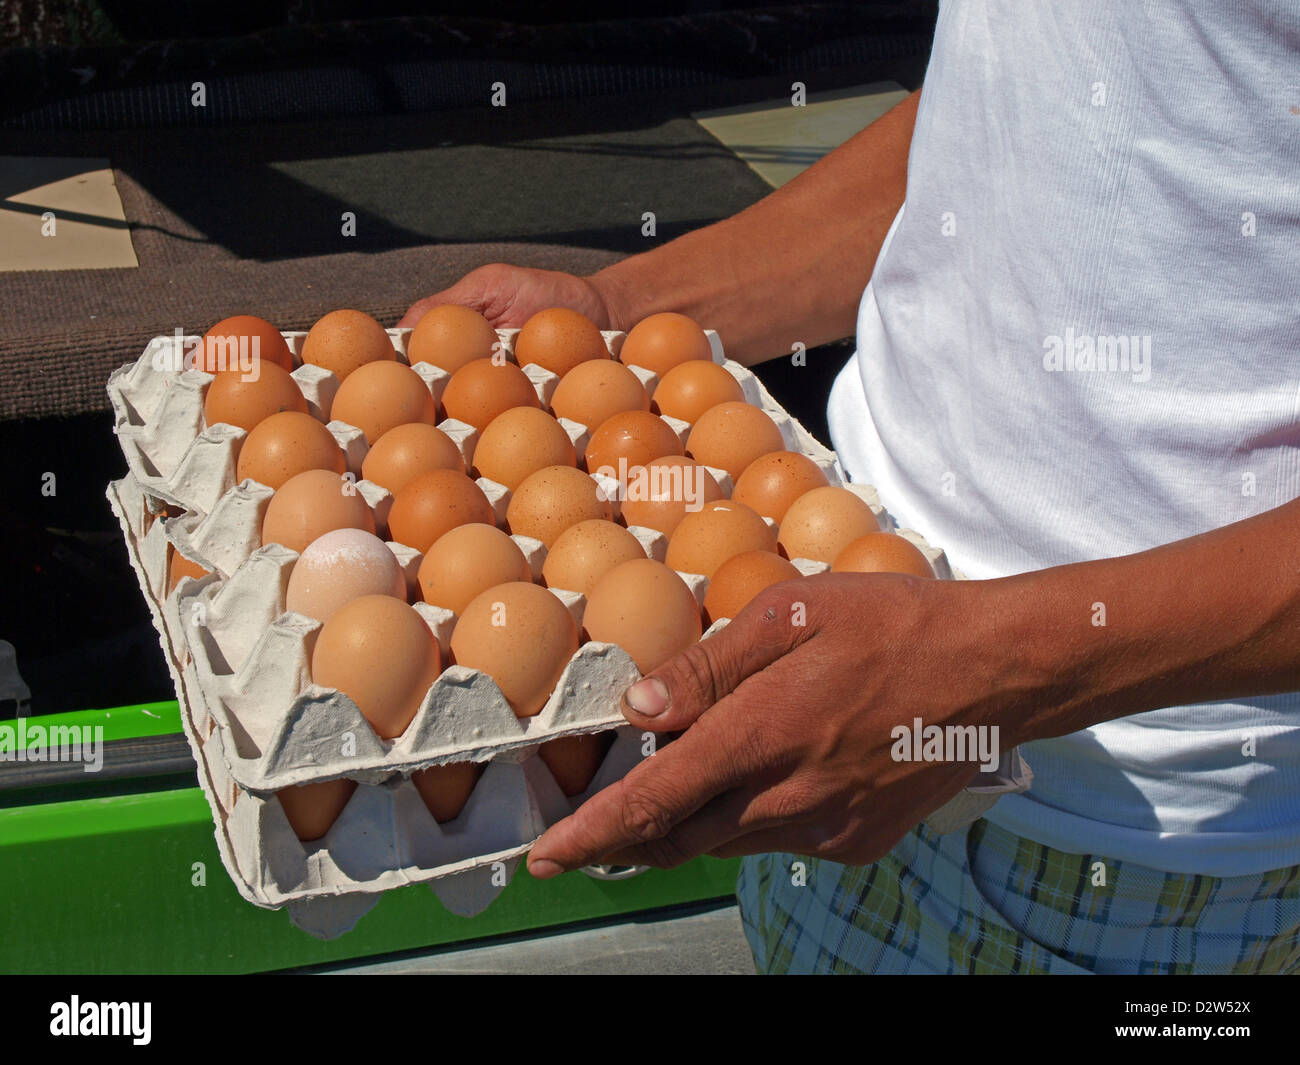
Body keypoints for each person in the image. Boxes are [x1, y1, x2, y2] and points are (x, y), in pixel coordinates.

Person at [401, 1, 1300, 974]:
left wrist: (996, 672)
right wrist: (620, 317)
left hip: (1136, 832)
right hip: (824, 688)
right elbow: (1036, 110)